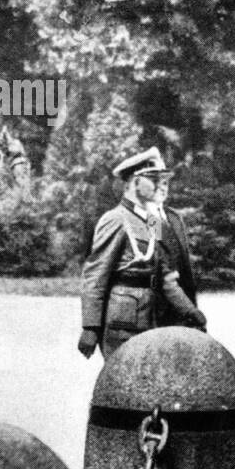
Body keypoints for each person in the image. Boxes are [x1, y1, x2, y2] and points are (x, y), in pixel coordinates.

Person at [79, 147, 206, 361]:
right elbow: (95, 275)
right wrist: (90, 327)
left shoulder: (153, 221)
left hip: (151, 318)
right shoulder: (115, 219)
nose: (159, 185)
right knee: (121, 382)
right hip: (122, 321)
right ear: (133, 182)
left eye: (162, 179)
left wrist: (190, 311)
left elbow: (164, 274)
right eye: (152, 179)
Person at [150, 170, 199, 326]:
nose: (162, 188)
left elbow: (184, 266)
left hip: (181, 305)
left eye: (165, 183)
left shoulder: (173, 217)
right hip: (156, 308)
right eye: (156, 183)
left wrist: (191, 308)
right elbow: (159, 264)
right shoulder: (145, 218)